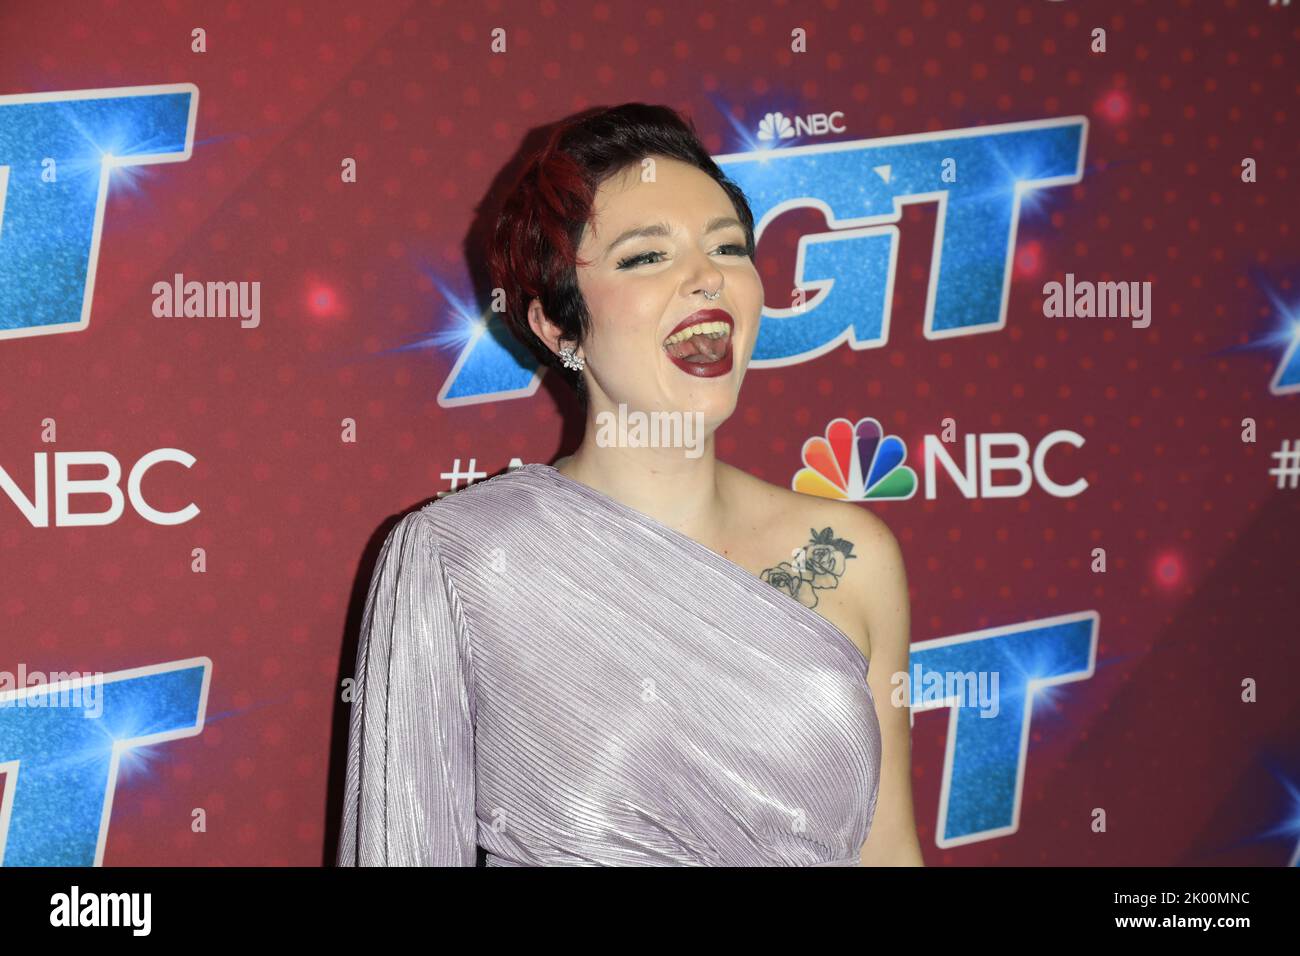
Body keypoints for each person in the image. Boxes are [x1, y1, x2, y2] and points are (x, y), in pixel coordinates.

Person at [337, 103, 922, 866]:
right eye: (647, 256)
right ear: (557, 326)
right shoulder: (459, 561)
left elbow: (889, 854)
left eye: (729, 247)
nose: (707, 275)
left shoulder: (853, 552)